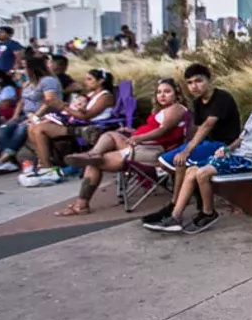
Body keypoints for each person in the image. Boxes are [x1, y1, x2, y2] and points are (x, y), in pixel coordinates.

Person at [157, 82, 252, 233]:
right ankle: (175, 216)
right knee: (191, 170)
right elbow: (241, 139)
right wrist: (227, 149)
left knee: (202, 173)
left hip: (248, 161)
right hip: (235, 155)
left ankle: (208, 213)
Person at [55, 78, 188, 217]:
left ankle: (81, 205)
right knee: (110, 135)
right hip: (143, 146)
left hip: (154, 152)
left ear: (176, 94)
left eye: (167, 91)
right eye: (159, 92)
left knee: (94, 164)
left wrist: (139, 137)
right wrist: (134, 132)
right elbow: (154, 129)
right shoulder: (164, 110)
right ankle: (92, 154)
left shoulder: (177, 108)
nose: (162, 95)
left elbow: (163, 131)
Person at [141, 64, 242, 234]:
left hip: (223, 146)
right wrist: (184, 147)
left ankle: (177, 210)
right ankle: (175, 206)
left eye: (198, 81)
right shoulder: (198, 102)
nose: (194, 86)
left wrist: (186, 151)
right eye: (189, 83)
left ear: (209, 80)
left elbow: (207, 126)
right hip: (207, 145)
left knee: (183, 159)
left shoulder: (222, 97)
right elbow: (197, 129)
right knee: (173, 161)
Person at [20, 67, 116, 187]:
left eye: (90, 79)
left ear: (101, 81)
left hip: (90, 126)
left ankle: (46, 167)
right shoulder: (90, 95)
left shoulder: (105, 97)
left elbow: (87, 116)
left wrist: (62, 106)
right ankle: (44, 165)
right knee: (33, 128)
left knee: (39, 129)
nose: (86, 81)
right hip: (77, 123)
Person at [0, 56, 64, 176]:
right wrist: (15, 116)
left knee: (21, 129)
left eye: (24, 67)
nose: (21, 70)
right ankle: (9, 161)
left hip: (45, 115)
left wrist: (34, 117)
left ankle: (1, 161)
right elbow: (22, 100)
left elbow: (49, 101)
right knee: (4, 128)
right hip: (27, 115)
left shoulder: (48, 80)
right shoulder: (29, 82)